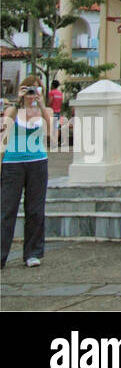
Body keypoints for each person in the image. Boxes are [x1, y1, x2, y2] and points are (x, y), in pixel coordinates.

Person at [0, 76, 53, 268]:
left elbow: (51, 133)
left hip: (37, 163)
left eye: (36, 89)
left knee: (35, 210)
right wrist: (17, 100)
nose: (32, 93)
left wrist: (42, 104)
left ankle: (33, 253)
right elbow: (4, 126)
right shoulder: (14, 110)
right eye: (29, 89)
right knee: (6, 210)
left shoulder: (43, 110)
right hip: (13, 164)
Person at [47, 81, 63, 149]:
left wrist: (46, 106)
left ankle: (52, 142)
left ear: (52, 85)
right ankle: (56, 142)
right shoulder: (60, 93)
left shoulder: (51, 92)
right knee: (57, 127)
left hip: (52, 112)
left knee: (52, 128)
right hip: (58, 111)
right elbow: (61, 102)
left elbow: (50, 101)